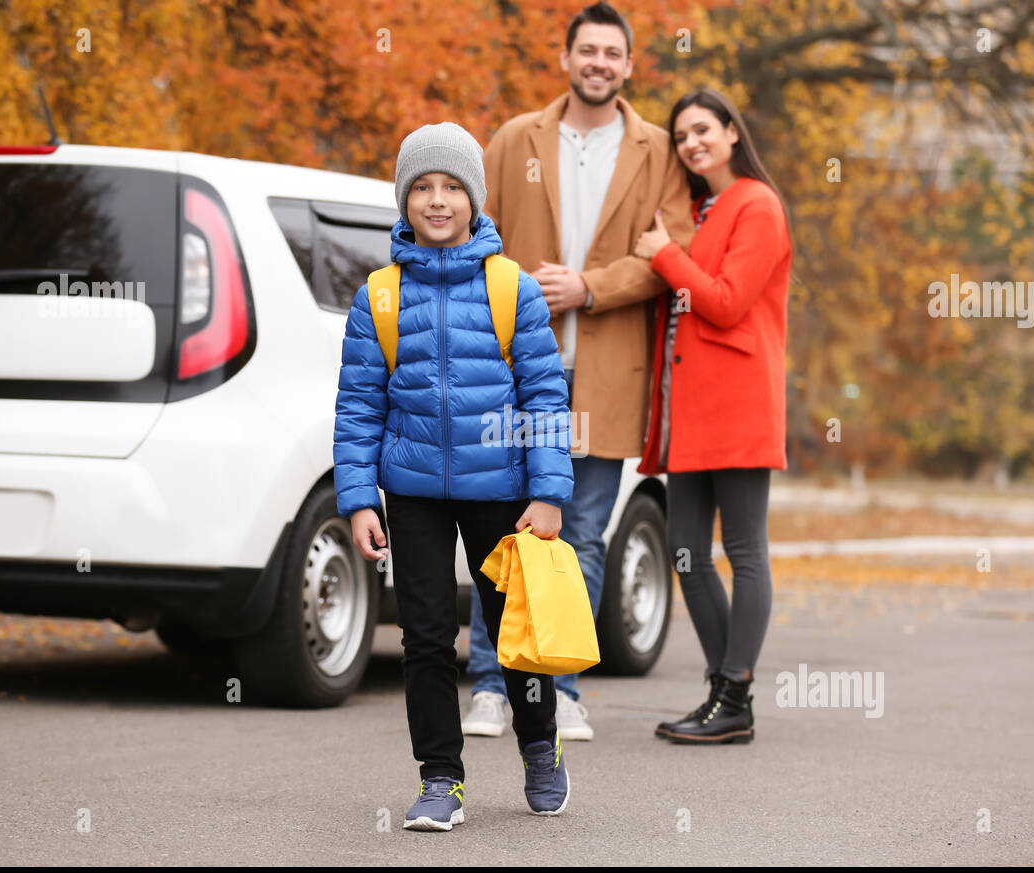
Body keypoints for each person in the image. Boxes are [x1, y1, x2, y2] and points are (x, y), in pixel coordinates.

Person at [463, 0, 695, 741]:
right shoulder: (512, 139)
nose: (598, 63)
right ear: (564, 59)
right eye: (585, 50)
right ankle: (491, 686)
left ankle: (561, 690)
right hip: (513, 370)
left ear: (629, 66)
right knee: (501, 525)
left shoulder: (657, 150)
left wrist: (590, 287)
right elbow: (475, 236)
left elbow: (670, 254)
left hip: (604, 370)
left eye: (611, 53)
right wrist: (512, 287)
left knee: (583, 532)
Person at [334, 122, 575, 829]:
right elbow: (357, 408)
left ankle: (539, 745)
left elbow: (544, 397)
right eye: (422, 189)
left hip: (502, 494)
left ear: (474, 198)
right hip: (411, 494)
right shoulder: (377, 295)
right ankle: (441, 777)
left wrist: (548, 490)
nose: (437, 202)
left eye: (451, 188)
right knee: (427, 638)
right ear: (404, 201)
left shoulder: (513, 289)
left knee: (513, 636)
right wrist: (358, 499)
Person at [632, 87, 793, 744]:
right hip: (687, 407)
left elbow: (726, 303)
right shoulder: (700, 209)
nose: (691, 143)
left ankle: (733, 697)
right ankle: (729, 694)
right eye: (681, 136)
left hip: (738, 401)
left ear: (731, 132)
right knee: (687, 551)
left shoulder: (758, 205)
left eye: (702, 129)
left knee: (744, 549)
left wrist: (665, 255)